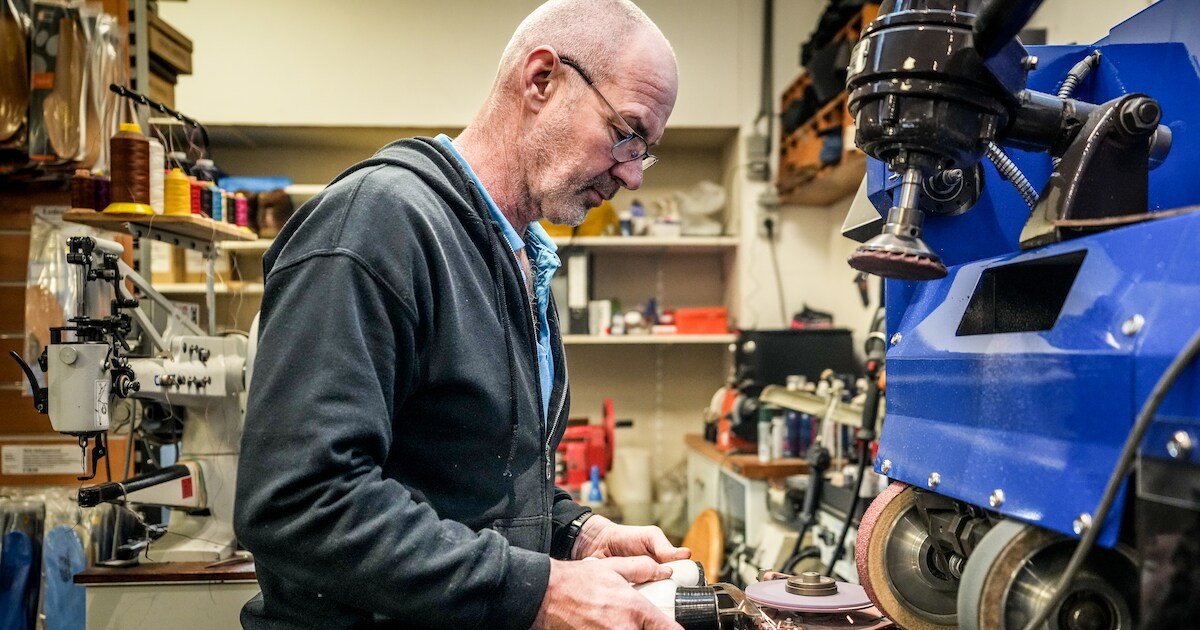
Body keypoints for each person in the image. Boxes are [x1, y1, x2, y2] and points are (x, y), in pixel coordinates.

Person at [234, 1, 684, 628]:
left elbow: (466, 484)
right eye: (626, 133)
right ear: (542, 80)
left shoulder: (519, 257)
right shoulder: (376, 225)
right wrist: (543, 591)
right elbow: (298, 503)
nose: (634, 175)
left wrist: (575, 533)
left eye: (647, 151)